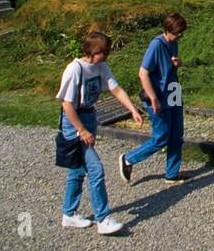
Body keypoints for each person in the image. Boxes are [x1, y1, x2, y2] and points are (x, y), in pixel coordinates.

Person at [57, 30, 143, 235]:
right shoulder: (75, 69)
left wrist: (132, 109)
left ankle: (69, 214)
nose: (107, 55)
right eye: (105, 52)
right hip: (75, 121)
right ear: (94, 51)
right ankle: (103, 219)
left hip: (89, 116)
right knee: (95, 169)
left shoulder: (101, 67)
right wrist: (81, 130)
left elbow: (116, 89)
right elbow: (67, 104)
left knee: (78, 169)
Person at [119, 12, 187, 185]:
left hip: (173, 91)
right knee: (162, 137)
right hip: (158, 95)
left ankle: (172, 174)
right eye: (177, 33)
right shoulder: (156, 45)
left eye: (181, 33)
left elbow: (167, 68)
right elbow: (143, 73)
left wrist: (177, 64)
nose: (180, 36)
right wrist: (153, 98)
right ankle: (128, 159)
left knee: (177, 134)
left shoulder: (174, 43)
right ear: (167, 30)